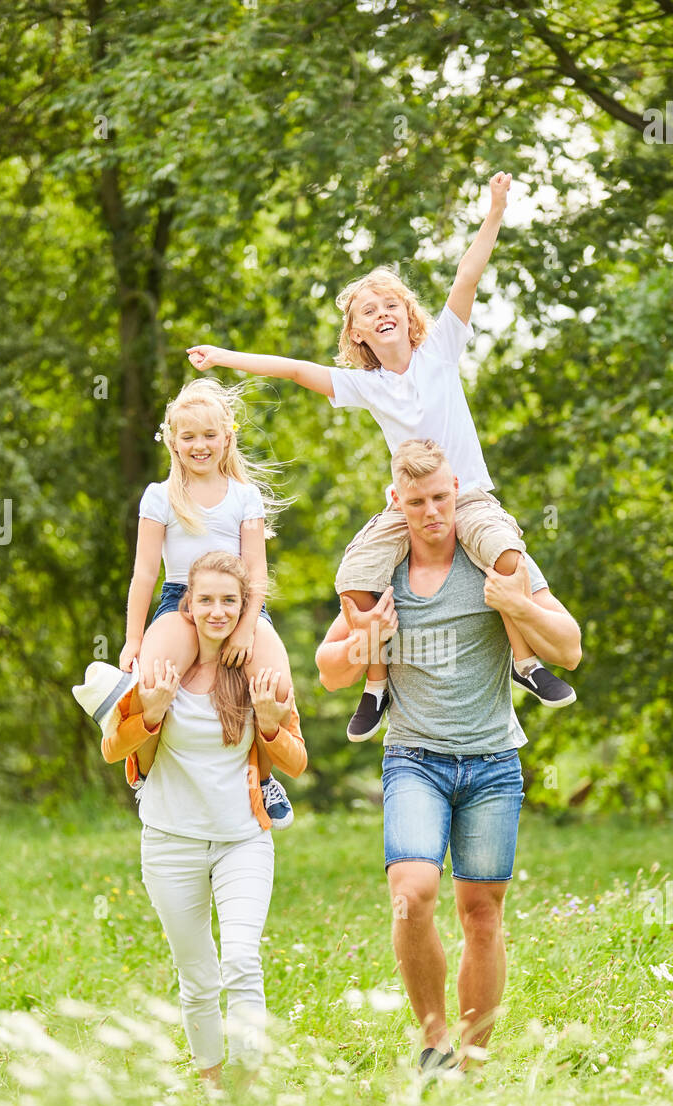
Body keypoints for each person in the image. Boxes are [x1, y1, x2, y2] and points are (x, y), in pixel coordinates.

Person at [186, 171, 576, 745]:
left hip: (466, 496)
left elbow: (468, 274)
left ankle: (524, 662)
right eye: (368, 312)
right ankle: (376, 686)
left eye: (390, 303)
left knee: (506, 555)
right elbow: (296, 370)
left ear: (409, 314)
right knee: (356, 575)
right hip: (407, 506)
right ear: (358, 334)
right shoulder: (366, 384)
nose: (382, 313)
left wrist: (494, 211)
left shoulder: (440, 349)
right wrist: (223, 356)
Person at [315, 441, 582, 1073]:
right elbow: (328, 672)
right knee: (412, 890)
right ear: (395, 502)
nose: (432, 512)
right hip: (414, 758)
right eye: (417, 502)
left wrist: (514, 604)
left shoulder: (491, 558)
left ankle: (473, 1060)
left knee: (482, 913)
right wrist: (365, 641)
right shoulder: (382, 571)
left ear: (456, 490)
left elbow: (569, 648)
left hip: (492, 761)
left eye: (441, 497)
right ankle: (433, 1038)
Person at [99, 551, 307, 1091]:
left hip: (243, 840)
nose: (218, 611)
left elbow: (297, 761)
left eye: (230, 602)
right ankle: (214, 1089)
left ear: (245, 610)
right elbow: (111, 748)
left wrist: (267, 725)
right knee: (197, 978)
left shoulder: (258, 675)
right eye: (207, 600)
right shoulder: (163, 668)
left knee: (241, 960)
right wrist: (150, 710)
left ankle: (250, 1084)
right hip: (171, 843)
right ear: (188, 604)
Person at [118, 376, 295, 828]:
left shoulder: (244, 496)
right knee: (153, 678)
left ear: (227, 437)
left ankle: (266, 775)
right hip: (181, 598)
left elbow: (255, 574)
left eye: (210, 435)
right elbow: (143, 575)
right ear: (174, 442)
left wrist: (246, 625)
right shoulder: (160, 497)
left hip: (238, 602)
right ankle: (146, 769)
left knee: (272, 678)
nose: (200, 445)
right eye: (189, 436)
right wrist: (132, 640)